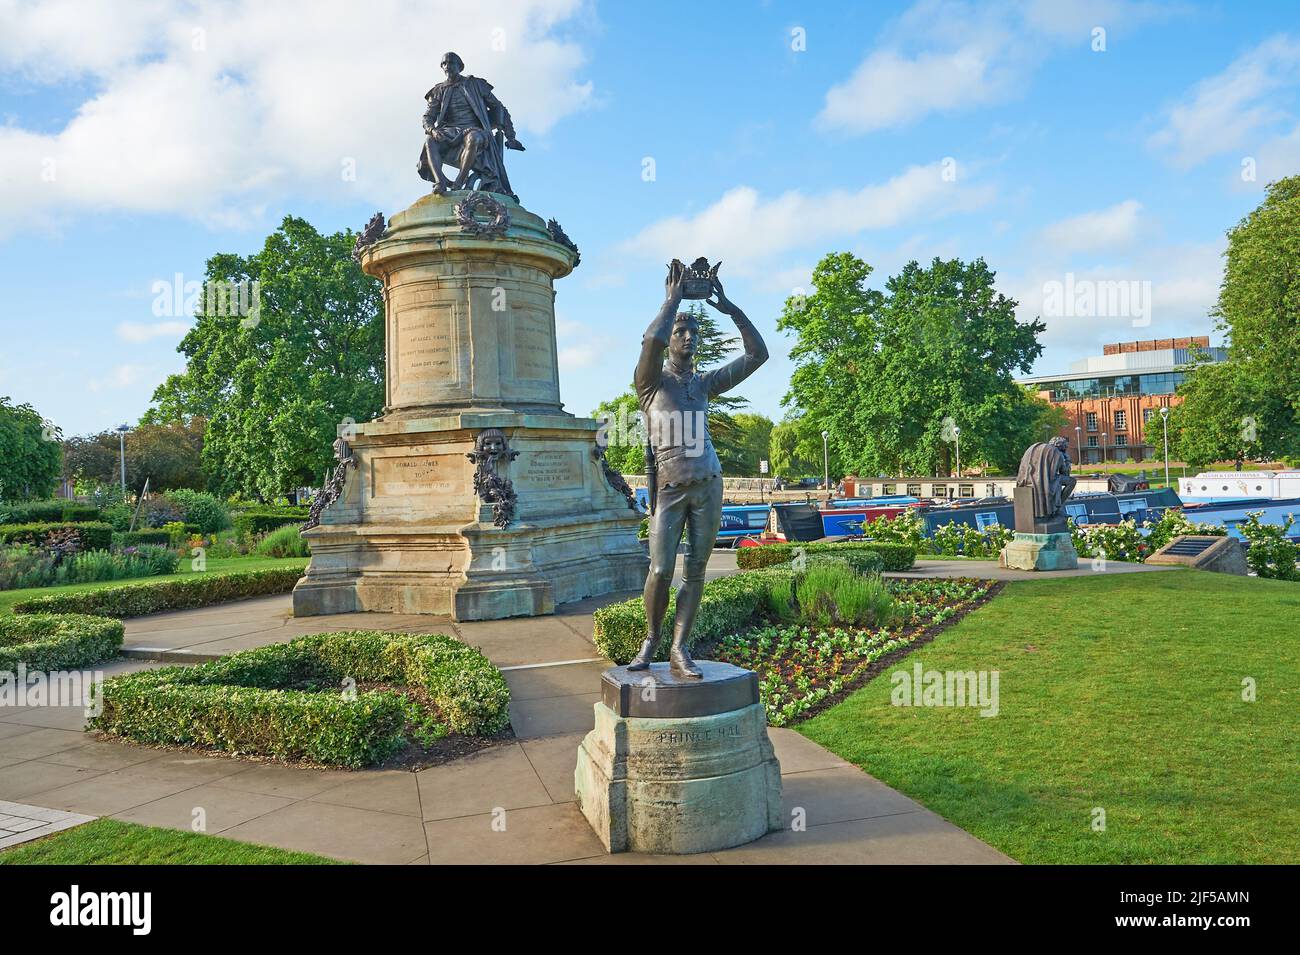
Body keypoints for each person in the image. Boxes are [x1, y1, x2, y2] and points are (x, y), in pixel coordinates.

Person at [627, 262, 768, 678]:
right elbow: (652, 339)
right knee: (660, 569)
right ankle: (651, 640)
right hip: (669, 488)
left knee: (696, 571)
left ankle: (679, 648)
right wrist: (672, 299)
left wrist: (731, 310)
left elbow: (758, 354)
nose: (688, 338)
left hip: (708, 482)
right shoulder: (650, 383)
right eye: (681, 333)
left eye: (694, 334)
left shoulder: (703, 384)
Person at [417, 52, 524, 198]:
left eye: (451, 63)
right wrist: (432, 130)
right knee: (430, 140)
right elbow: (427, 117)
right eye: (445, 63)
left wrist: (510, 136)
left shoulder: (475, 84)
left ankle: (459, 181)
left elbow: (499, 108)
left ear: (460, 66)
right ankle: (440, 181)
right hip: (450, 131)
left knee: (473, 138)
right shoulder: (437, 91)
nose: (448, 66)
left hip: (475, 129)